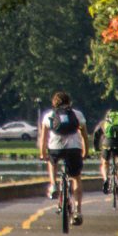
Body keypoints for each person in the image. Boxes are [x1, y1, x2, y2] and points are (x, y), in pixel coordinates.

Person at [38, 91, 88, 221]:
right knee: (76, 178)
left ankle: (54, 184)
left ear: (54, 103)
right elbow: (84, 136)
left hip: (55, 148)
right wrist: (85, 151)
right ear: (69, 102)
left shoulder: (49, 115)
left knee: (52, 162)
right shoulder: (77, 115)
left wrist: (43, 153)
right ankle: (78, 211)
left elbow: (43, 138)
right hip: (74, 149)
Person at [97, 108, 118, 196]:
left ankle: (105, 179)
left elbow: (96, 135)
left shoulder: (103, 122)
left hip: (107, 144)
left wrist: (96, 147)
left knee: (105, 162)